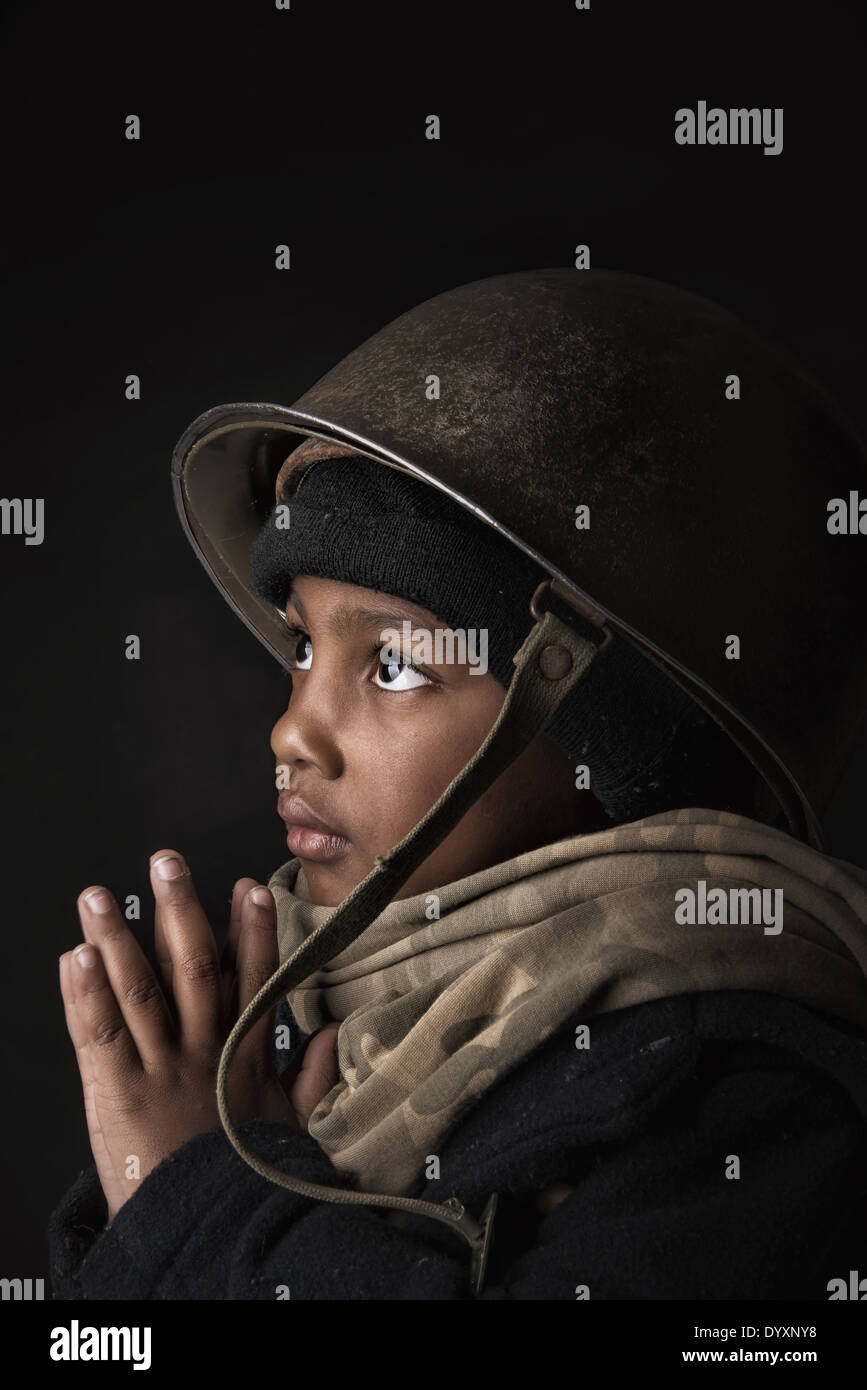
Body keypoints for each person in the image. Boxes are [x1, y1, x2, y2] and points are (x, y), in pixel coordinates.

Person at [48, 269, 867, 1300]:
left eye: (393, 666)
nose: (291, 728)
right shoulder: (299, 1042)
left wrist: (196, 1202)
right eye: (301, 646)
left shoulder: (746, 1101)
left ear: (618, 755)